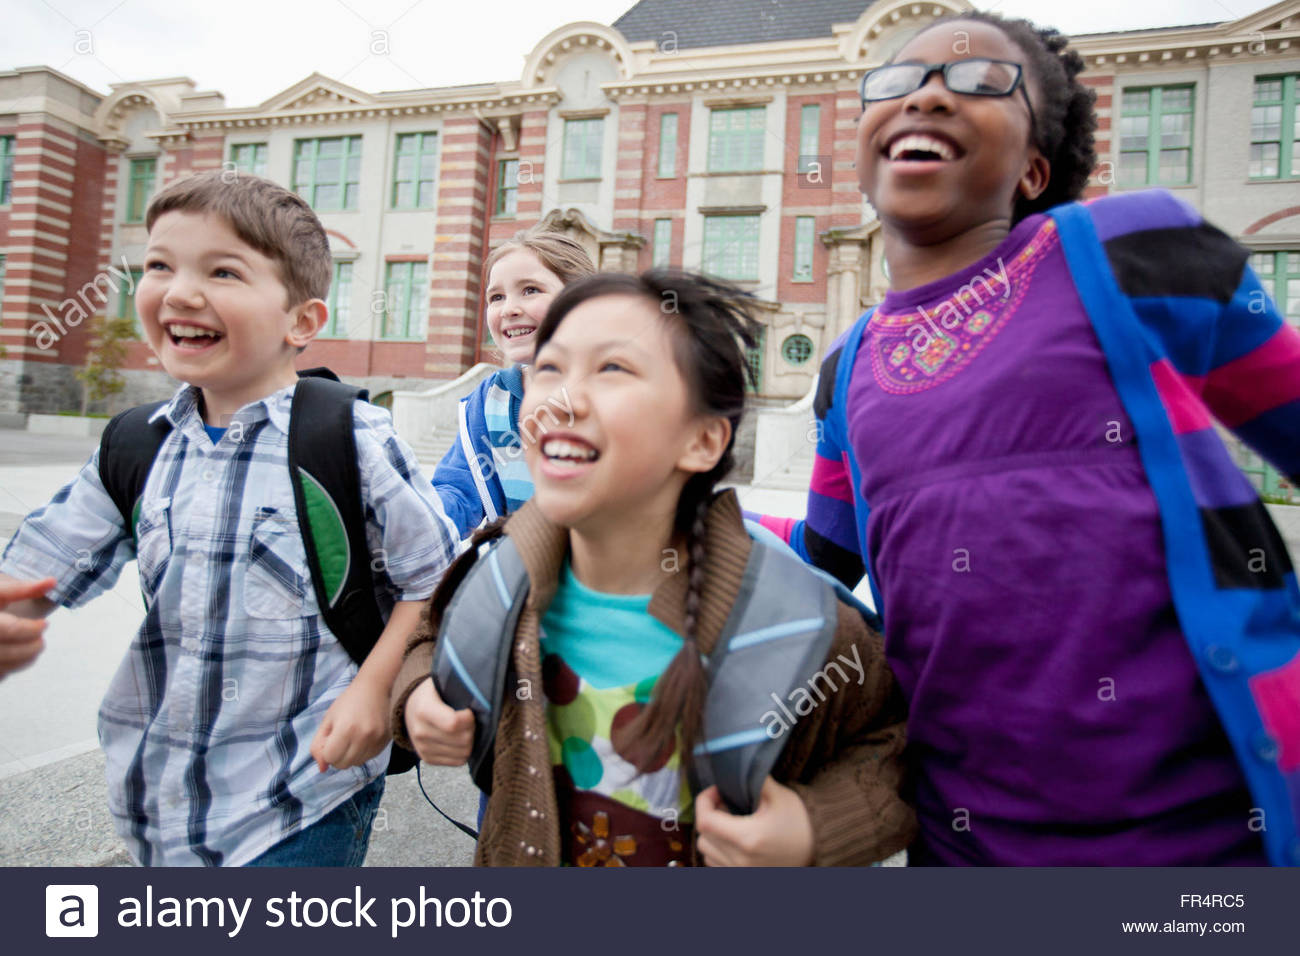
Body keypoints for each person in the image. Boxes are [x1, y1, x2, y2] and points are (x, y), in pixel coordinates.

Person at [749, 11, 1300, 865]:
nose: (927, 95)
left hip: (1212, 840)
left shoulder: (1132, 250)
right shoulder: (846, 371)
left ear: (1036, 166)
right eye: (895, 82)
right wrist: (677, 517)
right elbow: (821, 561)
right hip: (968, 843)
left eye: (979, 81)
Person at [0, 170, 461, 866]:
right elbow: (39, 566)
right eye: (160, 266)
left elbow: (436, 577)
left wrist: (375, 690)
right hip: (161, 802)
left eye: (222, 272)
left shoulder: (349, 437)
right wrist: (15, 610)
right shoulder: (136, 444)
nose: (180, 292)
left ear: (301, 321)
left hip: (306, 792)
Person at [391, 271, 915, 866]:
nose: (562, 398)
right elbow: (430, 634)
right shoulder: (501, 576)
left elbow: (894, 743)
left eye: (612, 369)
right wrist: (417, 695)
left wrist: (814, 827)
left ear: (702, 440)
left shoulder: (792, 616)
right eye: (550, 368)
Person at [431, 229, 595, 537]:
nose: (509, 309)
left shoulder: (614, 392)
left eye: (530, 290)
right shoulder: (489, 399)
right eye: (497, 297)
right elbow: (459, 492)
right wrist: (410, 515)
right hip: (520, 565)